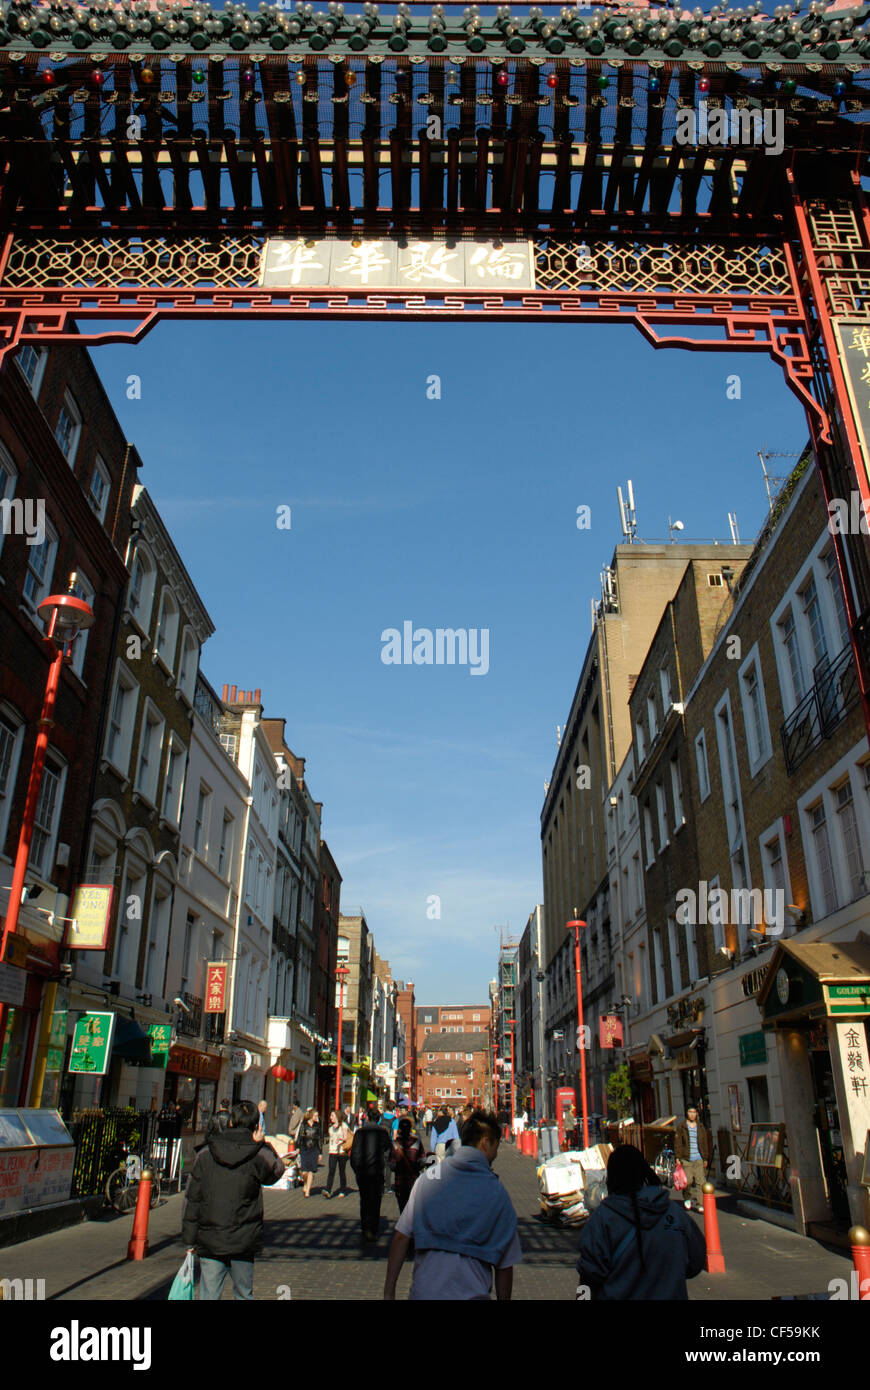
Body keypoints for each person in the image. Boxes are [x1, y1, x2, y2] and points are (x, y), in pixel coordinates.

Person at [383, 1109, 521, 1301]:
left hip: (424, 1293)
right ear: (485, 1143)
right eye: (496, 1147)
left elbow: (401, 1237)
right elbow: (505, 1264)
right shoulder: (496, 1192)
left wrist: (389, 1292)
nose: (496, 1153)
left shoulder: (429, 1178)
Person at [181, 1098, 284, 1300]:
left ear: (230, 1122)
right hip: (243, 1238)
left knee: (209, 1295)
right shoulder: (258, 1154)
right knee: (243, 1294)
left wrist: (189, 1239)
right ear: (256, 1126)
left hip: (211, 1237)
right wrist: (263, 1144)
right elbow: (276, 1171)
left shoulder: (205, 1153)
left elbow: (192, 1199)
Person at [577, 1144, 706, 1301]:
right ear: (642, 1171)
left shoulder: (603, 1218)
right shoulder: (673, 1212)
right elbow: (696, 1261)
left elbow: (589, 1275)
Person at [350, 1107, 393, 1243]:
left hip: (362, 1171)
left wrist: (356, 1169)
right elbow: (388, 1149)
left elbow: (354, 1153)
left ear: (367, 1117)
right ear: (379, 1119)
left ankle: (365, 1228)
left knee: (364, 1200)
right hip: (376, 1171)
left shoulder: (360, 1132)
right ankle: (373, 1228)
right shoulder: (382, 1132)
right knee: (375, 1201)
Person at [674, 1106, 713, 1212]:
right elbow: (678, 1143)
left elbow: (704, 1142)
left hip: (698, 1158)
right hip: (686, 1159)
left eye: (694, 1112)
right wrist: (678, 1157)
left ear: (696, 1113)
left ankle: (701, 1204)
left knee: (701, 1182)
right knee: (688, 1181)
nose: (692, 1114)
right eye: (690, 1111)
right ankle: (687, 1197)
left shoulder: (700, 1127)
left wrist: (705, 1158)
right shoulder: (681, 1126)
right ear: (687, 1113)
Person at [390, 1116, 425, 1213]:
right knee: (412, 1208)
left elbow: (391, 1164)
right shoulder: (417, 1142)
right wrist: (416, 1167)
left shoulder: (395, 1144)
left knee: (402, 1208)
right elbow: (423, 1160)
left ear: (400, 1129)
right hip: (413, 1179)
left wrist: (398, 1167)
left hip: (400, 1181)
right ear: (410, 1128)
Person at [324, 1110, 352, 1199]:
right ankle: (328, 1190)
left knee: (341, 1171)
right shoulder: (331, 1128)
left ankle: (343, 1190)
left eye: (332, 1116)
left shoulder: (343, 1126)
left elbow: (345, 1138)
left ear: (336, 1116)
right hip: (332, 1151)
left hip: (341, 1152)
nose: (330, 1117)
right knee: (331, 1171)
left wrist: (339, 1139)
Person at [297, 1108, 322, 1197]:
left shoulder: (318, 1126)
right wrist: (298, 1147)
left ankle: (308, 1191)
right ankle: (305, 1182)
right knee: (304, 1172)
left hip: (314, 1149)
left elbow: (320, 1139)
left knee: (311, 1170)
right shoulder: (304, 1125)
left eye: (317, 1115)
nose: (317, 1117)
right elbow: (300, 1137)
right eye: (315, 1115)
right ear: (311, 1116)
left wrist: (320, 1152)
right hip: (304, 1148)